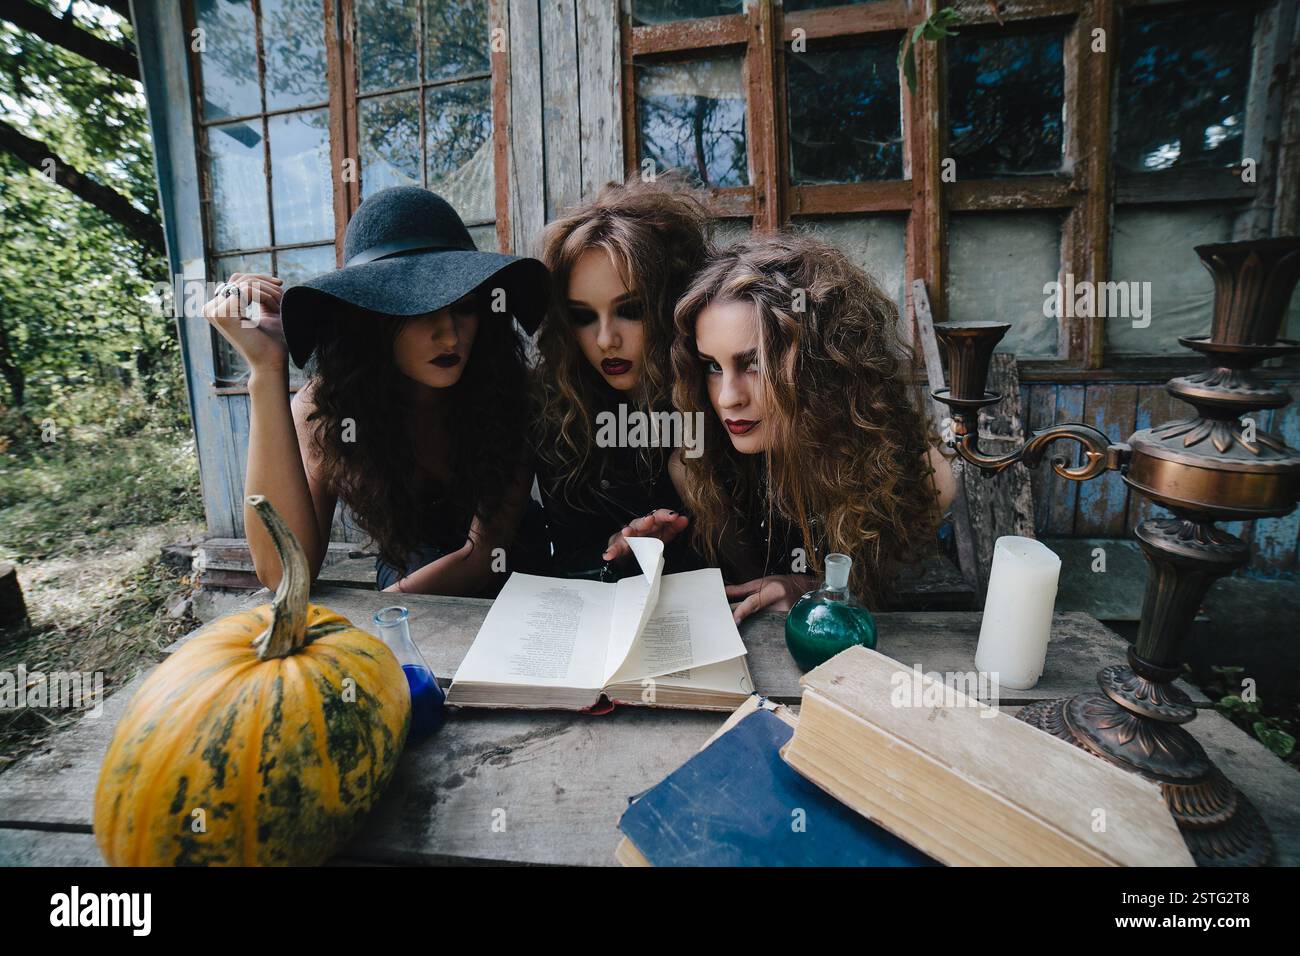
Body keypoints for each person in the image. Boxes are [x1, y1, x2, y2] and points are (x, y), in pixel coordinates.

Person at [202, 186, 550, 595]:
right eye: (419, 310)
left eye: (465, 306)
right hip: (409, 575)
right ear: (370, 319)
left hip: (518, 574)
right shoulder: (329, 411)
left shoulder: (506, 389)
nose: (449, 334)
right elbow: (283, 574)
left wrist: (375, 621)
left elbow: (483, 559)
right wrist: (266, 369)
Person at [612, 231, 956, 623]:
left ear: (822, 364)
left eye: (754, 363)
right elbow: (753, 591)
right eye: (713, 366)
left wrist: (808, 589)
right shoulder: (697, 468)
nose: (728, 397)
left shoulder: (921, 474)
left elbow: (875, 594)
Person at [532, 174, 711, 579]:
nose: (606, 340)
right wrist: (614, 552)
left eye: (630, 309)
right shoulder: (560, 410)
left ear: (672, 304)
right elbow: (569, 557)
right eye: (582, 316)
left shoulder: (725, 393)